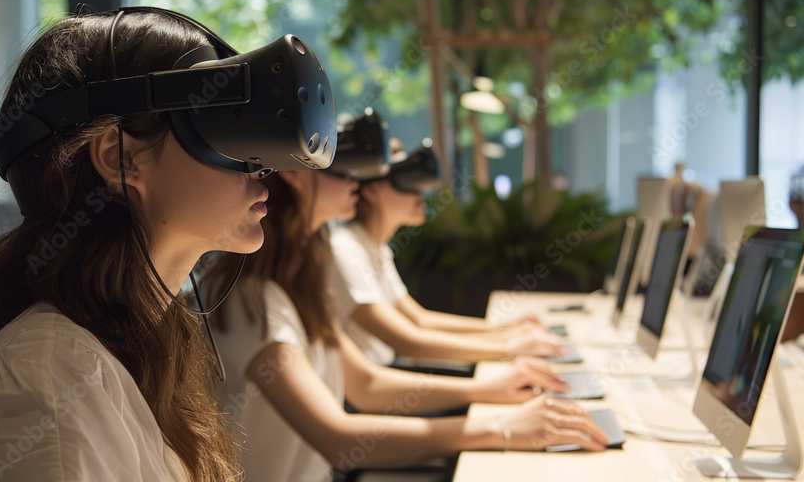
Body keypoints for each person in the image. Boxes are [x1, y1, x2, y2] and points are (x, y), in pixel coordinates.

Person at [0, 8, 308, 481]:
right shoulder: (45, 387)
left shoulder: (133, 348)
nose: (260, 165)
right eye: (218, 126)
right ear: (120, 158)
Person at [208, 168, 608, 482]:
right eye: (343, 169)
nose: (358, 181)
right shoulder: (251, 298)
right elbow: (338, 437)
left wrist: (494, 387)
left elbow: (367, 384)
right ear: (294, 174)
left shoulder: (298, 279)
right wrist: (500, 424)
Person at [330, 144, 563, 367]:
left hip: (389, 369)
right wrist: (509, 346)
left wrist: (505, 329)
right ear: (371, 191)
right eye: (407, 185)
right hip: (380, 378)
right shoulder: (345, 248)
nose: (421, 194)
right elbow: (408, 341)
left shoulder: (377, 248)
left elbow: (420, 319)